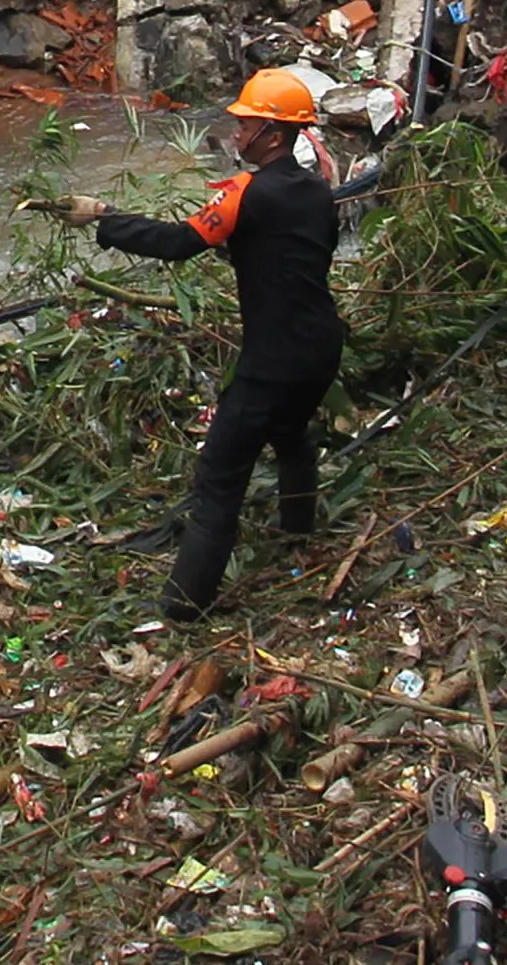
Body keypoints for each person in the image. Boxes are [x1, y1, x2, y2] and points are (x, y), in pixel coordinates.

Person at [51, 69, 344, 621]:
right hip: (321, 348)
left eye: (246, 125)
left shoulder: (246, 192)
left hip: (272, 360)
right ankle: (298, 535)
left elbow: (179, 242)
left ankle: (183, 606)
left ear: (274, 135)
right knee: (292, 438)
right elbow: (295, 254)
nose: (237, 134)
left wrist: (105, 220)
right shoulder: (317, 191)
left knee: (219, 480)